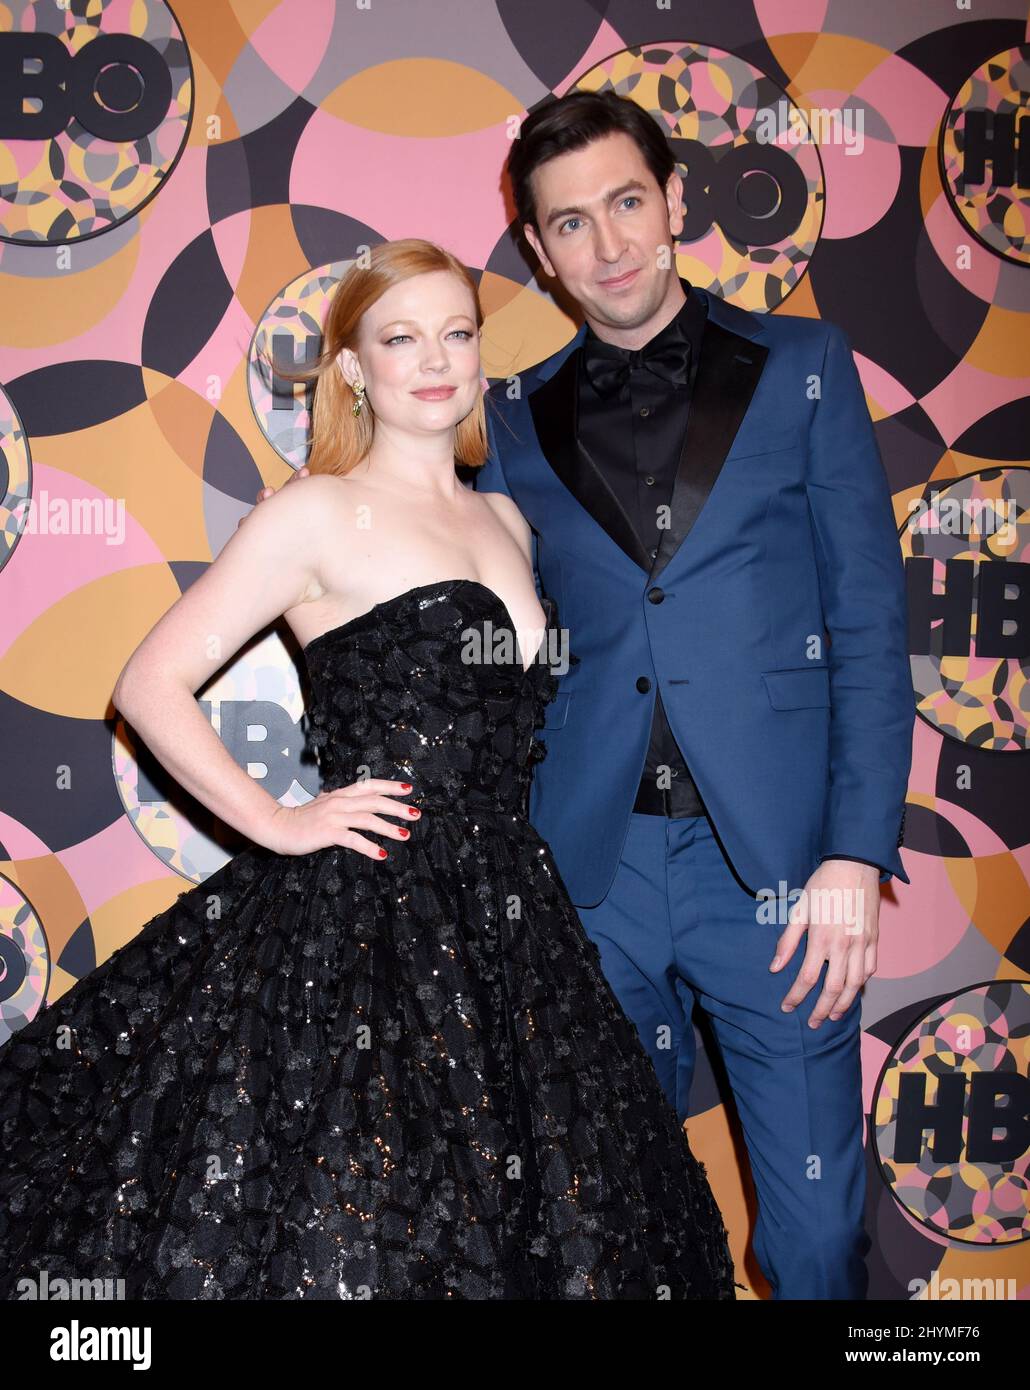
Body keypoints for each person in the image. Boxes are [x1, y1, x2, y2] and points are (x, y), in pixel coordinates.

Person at [261, 93, 913, 1300]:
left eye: (625, 203)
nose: (608, 245)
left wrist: (852, 855)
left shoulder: (808, 369)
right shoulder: (504, 418)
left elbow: (870, 626)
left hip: (770, 874)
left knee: (816, 1239)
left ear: (673, 201)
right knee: (602, 1227)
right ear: (538, 250)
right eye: (570, 223)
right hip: (579, 875)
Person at [0, 238, 737, 1301]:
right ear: (351, 367)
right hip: (367, 911)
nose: (435, 359)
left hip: (516, 920)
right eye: (400, 337)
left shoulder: (508, 519)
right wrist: (283, 821)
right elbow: (149, 682)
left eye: (457, 333)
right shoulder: (316, 511)